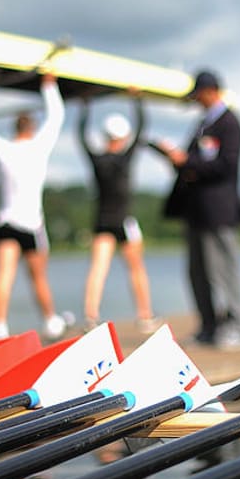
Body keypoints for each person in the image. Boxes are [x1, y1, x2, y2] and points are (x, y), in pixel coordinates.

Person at [155, 70, 240, 350]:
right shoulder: (201, 125)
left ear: (211, 91)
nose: (196, 100)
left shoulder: (230, 123)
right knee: (197, 271)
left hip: (219, 210)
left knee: (224, 269)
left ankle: (237, 327)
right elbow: (192, 163)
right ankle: (208, 327)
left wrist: (189, 162)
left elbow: (226, 166)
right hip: (195, 210)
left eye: (198, 95)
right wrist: (176, 160)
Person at [0, 72, 68, 341]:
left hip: (6, 222)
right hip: (31, 225)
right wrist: (49, 85)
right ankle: (50, 322)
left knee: (4, 275)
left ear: (15, 128)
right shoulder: (39, 147)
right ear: (31, 128)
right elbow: (57, 115)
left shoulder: (3, 149)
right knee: (38, 277)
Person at [76, 90, 158, 333]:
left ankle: (91, 317)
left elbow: (81, 137)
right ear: (123, 137)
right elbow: (142, 128)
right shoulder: (124, 158)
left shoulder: (97, 160)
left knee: (97, 270)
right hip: (123, 221)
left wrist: (85, 108)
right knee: (136, 270)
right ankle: (145, 316)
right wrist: (137, 100)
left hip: (102, 221)